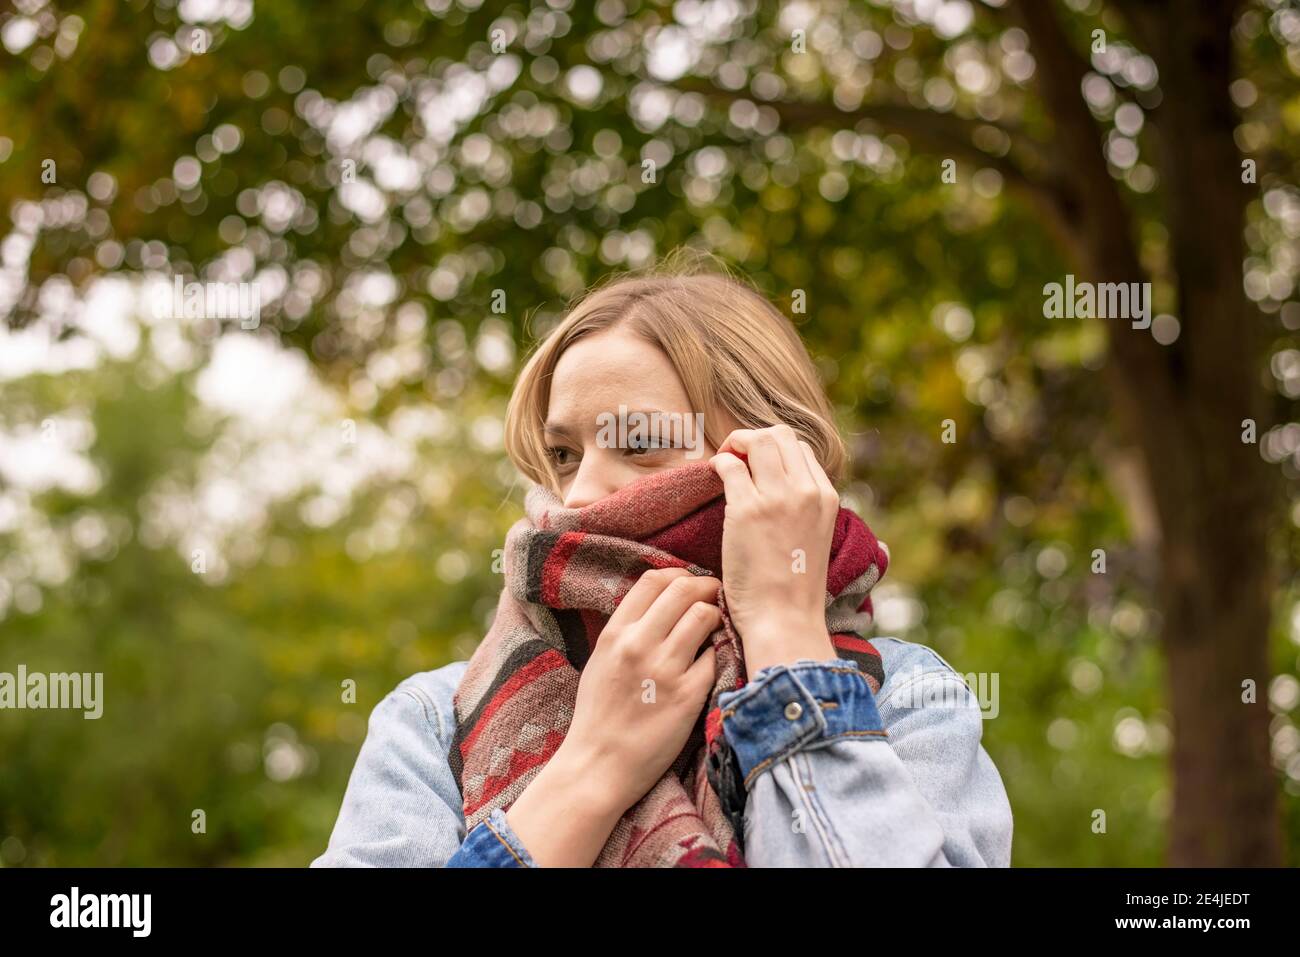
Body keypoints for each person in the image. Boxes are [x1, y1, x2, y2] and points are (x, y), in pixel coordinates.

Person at [313, 254, 1013, 867]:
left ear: (776, 465)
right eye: (564, 453)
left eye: (640, 441)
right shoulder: (437, 722)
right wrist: (589, 772)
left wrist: (785, 642)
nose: (581, 492)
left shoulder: (905, 698)